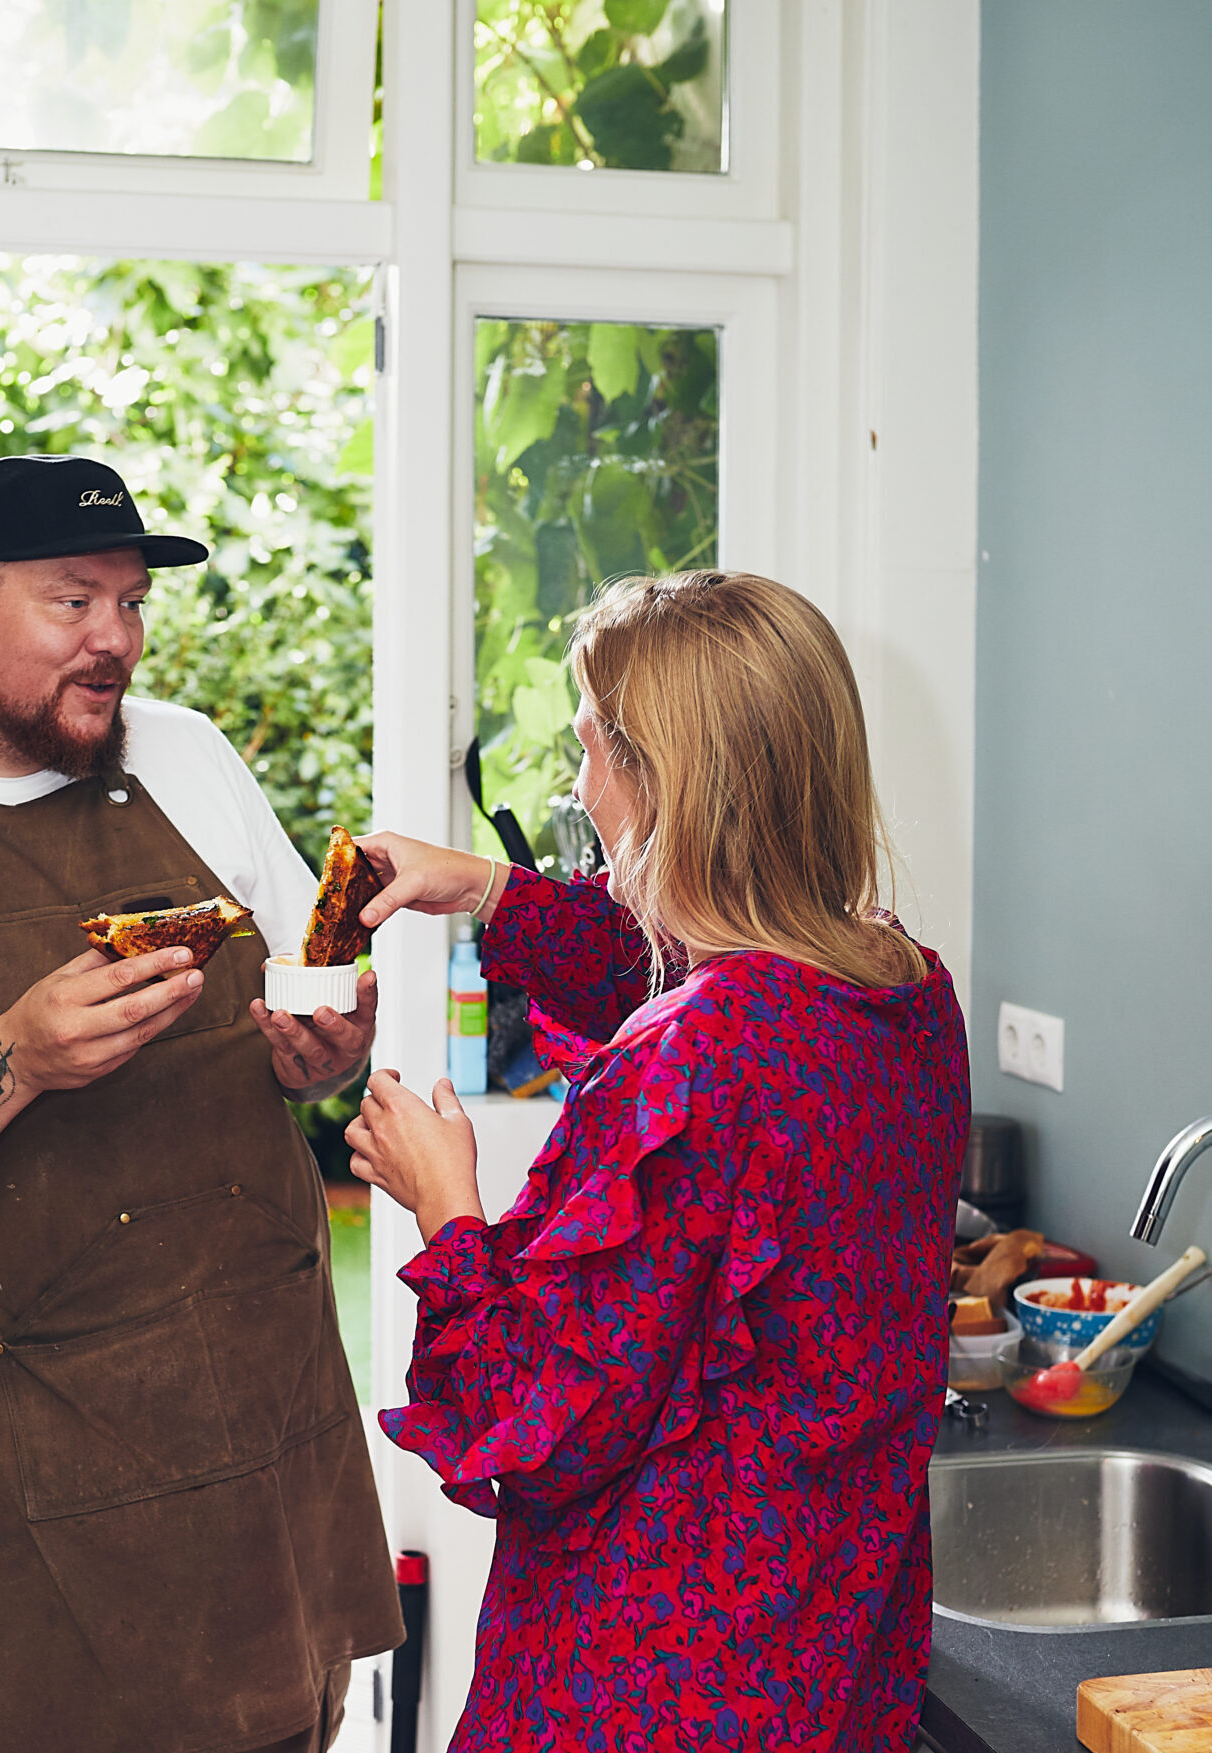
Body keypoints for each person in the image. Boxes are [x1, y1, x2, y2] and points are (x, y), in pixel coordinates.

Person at [0, 454, 403, 1753]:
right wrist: (18, 1056)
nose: (115, 639)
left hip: (270, 1448)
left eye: (131, 603)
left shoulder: (191, 758)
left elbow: (301, 1030)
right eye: (72, 602)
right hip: (41, 1517)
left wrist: (325, 1043)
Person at [345, 571, 970, 1751]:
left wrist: (447, 1208)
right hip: (824, 1646)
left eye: (592, 753)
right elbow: (707, 970)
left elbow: (541, 1417)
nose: (579, 789)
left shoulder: (693, 1059)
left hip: (653, 1678)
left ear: (664, 783)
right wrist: (488, 887)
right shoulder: (902, 991)